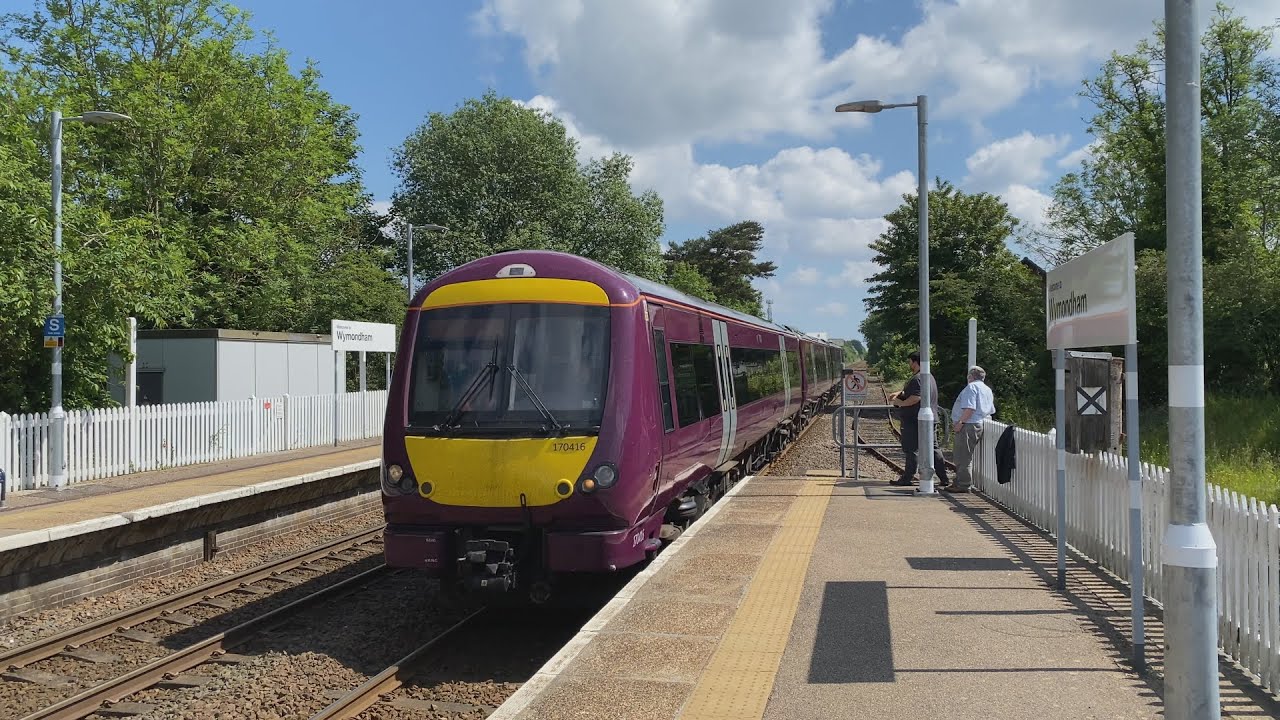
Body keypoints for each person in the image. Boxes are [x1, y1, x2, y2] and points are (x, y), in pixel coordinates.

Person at [889, 351, 950, 487]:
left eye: (909, 361)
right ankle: (944, 478)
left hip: (915, 420)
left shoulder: (917, 378)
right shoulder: (928, 376)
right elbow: (914, 391)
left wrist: (900, 403)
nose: (909, 364)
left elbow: (916, 397)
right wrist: (899, 393)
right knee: (933, 449)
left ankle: (907, 478)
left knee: (911, 449)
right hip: (929, 418)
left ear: (915, 362)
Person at [946, 365, 997, 493]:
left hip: (969, 425)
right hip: (978, 423)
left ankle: (963, 484)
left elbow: (970, 408)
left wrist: (960, 423)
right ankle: (959, 481)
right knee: (964, 455)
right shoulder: (987, 389)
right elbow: (990, 410)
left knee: (962, 456)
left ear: (970, 377)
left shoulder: (971, 387)